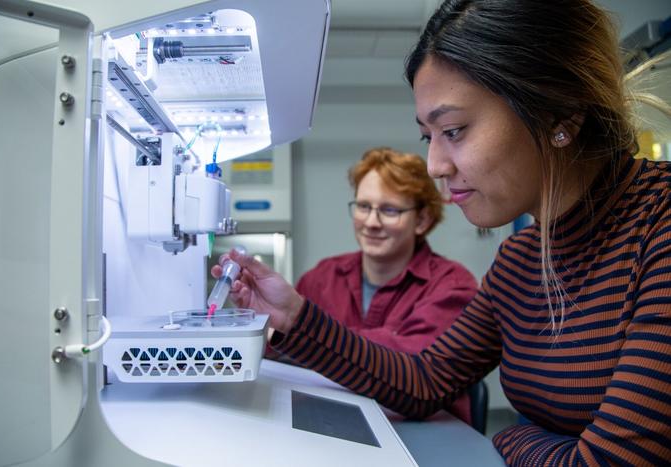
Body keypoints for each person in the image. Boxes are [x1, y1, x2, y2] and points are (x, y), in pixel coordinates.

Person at [213, 1, 671, 465]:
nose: (435, 166)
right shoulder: (520, 259)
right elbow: (425, 380)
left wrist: (512, 440)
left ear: (561, 115)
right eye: (427, 136)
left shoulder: (659, 227)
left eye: (453, 130)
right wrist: (294, 317)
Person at [288, 146, 478, 424]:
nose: (371, 222)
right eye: (364, 207)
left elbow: (415, 371)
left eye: (389, 210)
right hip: (333, 423)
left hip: (422, 434)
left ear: (422, 220)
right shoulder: (321, 277)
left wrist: (304, 331)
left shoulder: (452, 287)